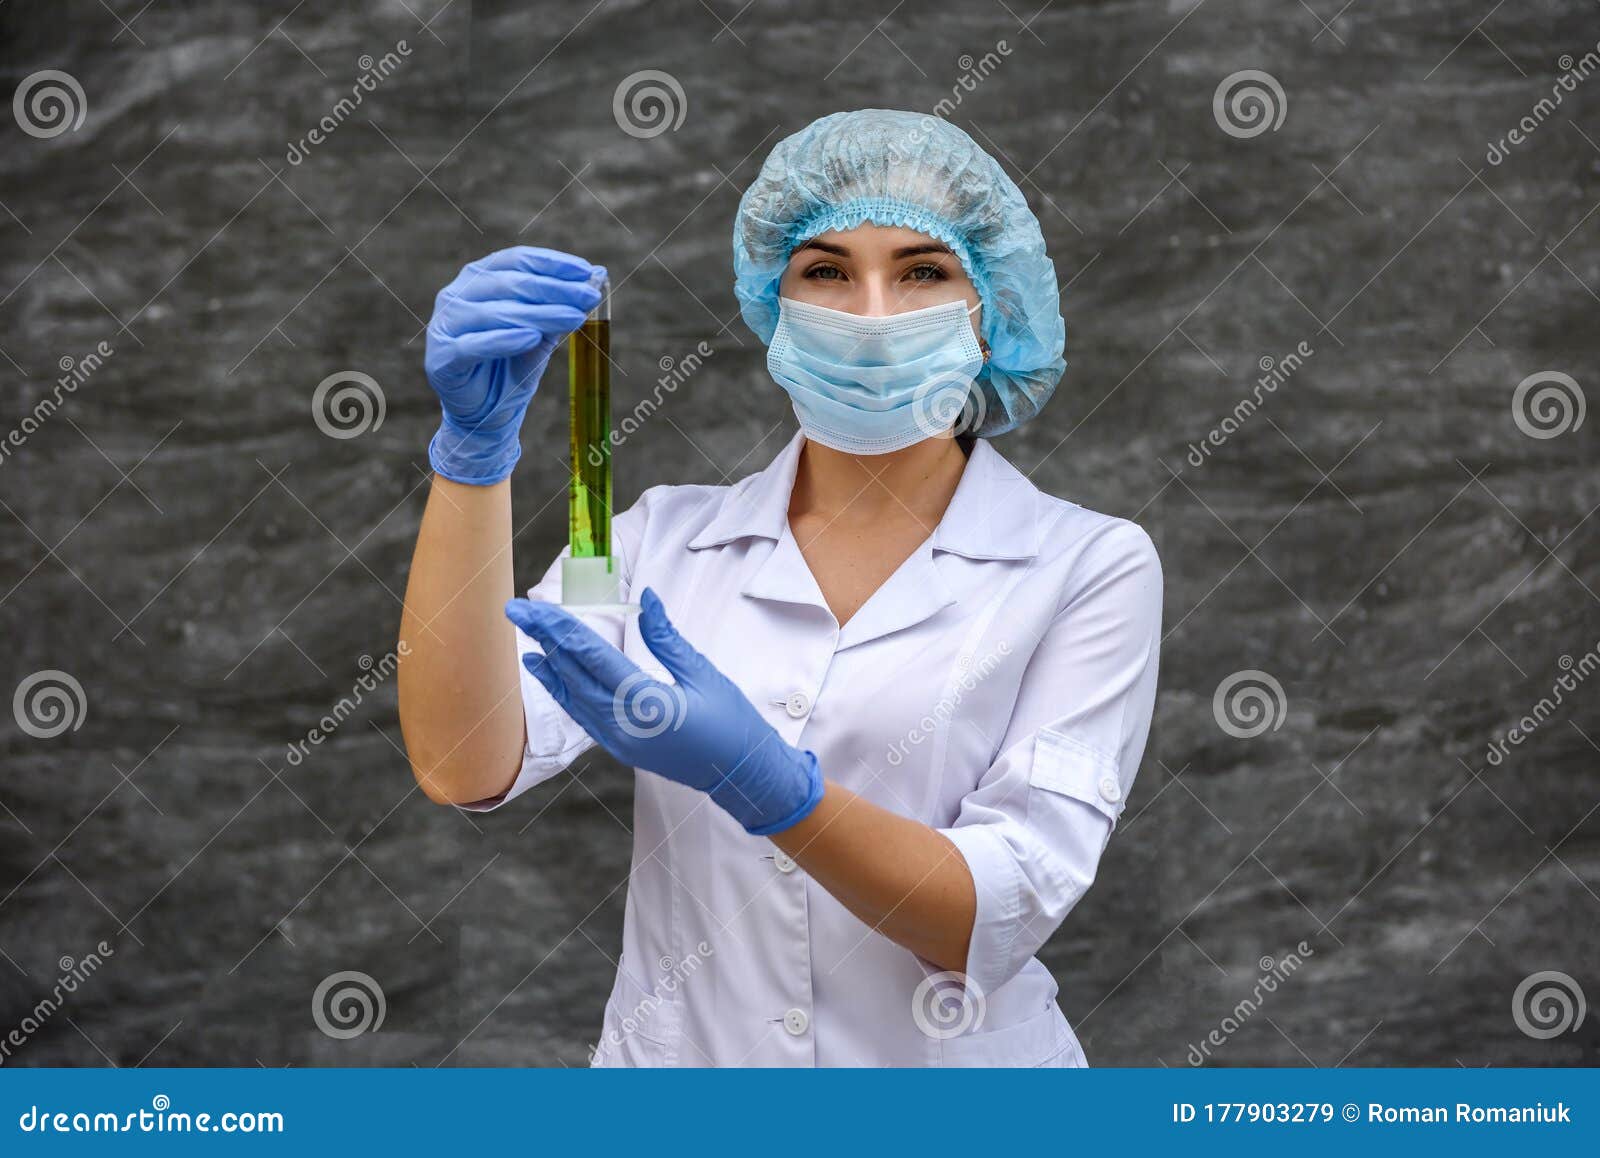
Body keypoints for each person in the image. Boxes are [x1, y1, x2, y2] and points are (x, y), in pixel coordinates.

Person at [397, 109, 1162, 1067]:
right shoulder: (653, 541)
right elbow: (463, 764)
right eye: (827, 271)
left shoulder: (1088, 565)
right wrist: (473, 462)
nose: (873, 311)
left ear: (990, 310)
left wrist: (770, 789)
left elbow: (991, 915)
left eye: (924, 272)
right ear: (775, 301)